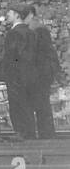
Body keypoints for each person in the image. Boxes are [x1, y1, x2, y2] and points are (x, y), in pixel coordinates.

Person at [0, 3, 36, 139]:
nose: (7, 15)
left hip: (15, 75)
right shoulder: (30, 32)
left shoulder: (14, 33)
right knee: (27, 104)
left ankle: (21, 132)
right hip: (28, 74)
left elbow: (12, 56)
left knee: (17, 103)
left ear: (17, 15)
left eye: (10, 12)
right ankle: (29, 132)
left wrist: (2, 72)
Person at [29, 7, 60, 139]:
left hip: (39, 72)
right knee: (42, 104)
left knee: (41, 104)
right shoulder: (38, 28)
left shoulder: (37, 29)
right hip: (44, 71)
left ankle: (46, 134)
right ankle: (46, 133)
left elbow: (39, 52)